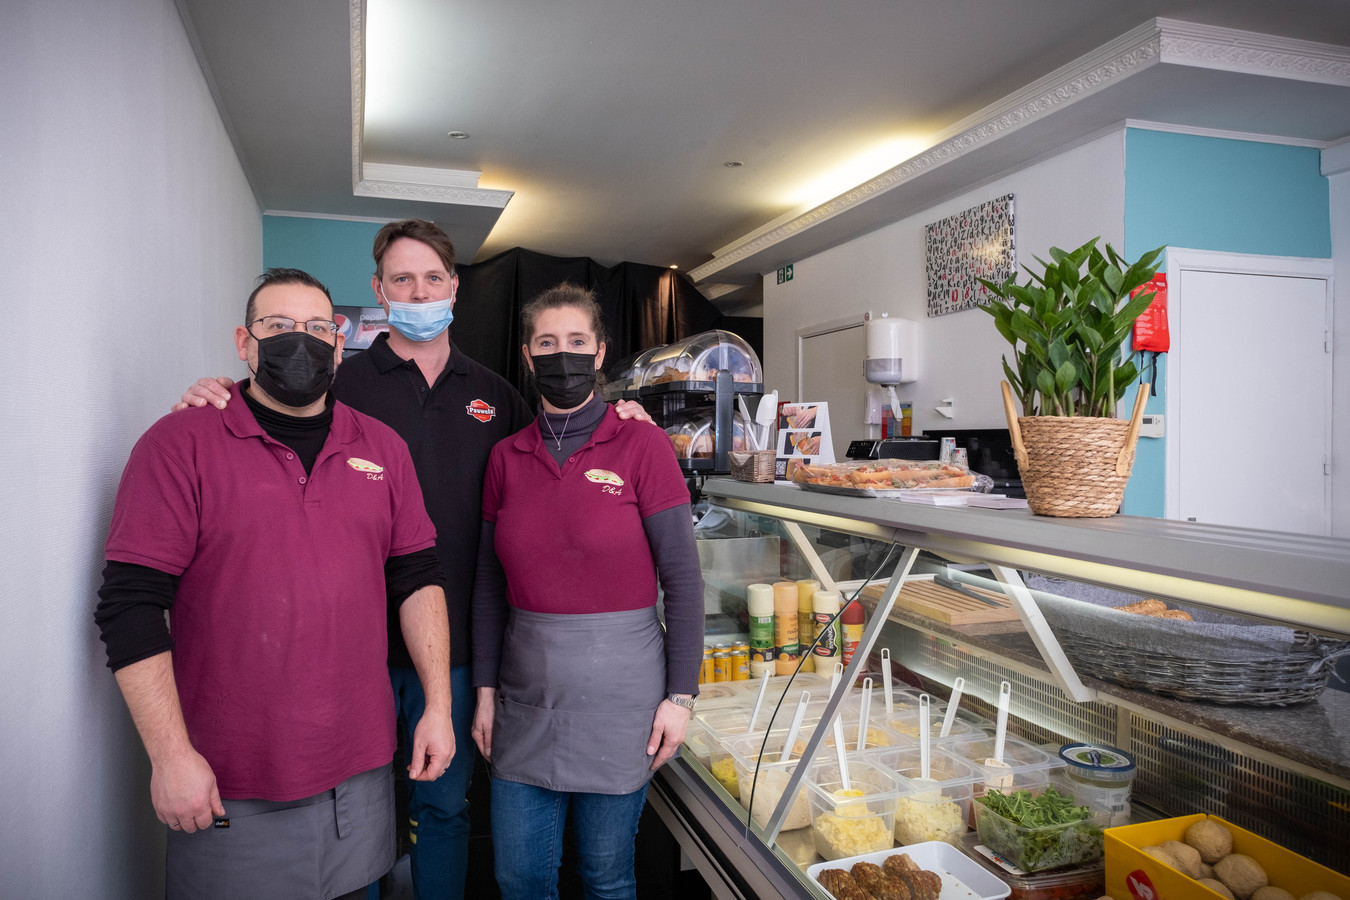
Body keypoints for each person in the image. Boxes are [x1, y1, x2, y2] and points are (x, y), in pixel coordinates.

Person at [175, 220, 650, 900]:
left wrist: (620, 417)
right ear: (377, 289)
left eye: (432, 278)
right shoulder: (341, 380)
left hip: (452, 644)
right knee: (359, 816)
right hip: (353, 648)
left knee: (445, 807)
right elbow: (273, 409)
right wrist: (218, 389)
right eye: (402, 278)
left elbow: (556, 451)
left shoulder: (495, 394)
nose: (418, 291)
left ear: (456, 287)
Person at [96, 268, 454, 900]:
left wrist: (438, 706)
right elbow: (130, 605)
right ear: (244, 341)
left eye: (318, 328)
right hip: (232, 777)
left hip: (361, 767)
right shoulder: (180, 444)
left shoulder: (383, 449)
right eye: (278, 326)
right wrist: (170, 756)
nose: (300, 341)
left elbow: (417, 578)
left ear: (341, 345)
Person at [470, 284, 704, 900]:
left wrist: (681, 696)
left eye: (577, 342)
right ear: (527, 355)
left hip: (622, 700)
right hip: (525, 697)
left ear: (600, 353)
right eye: (548, 343)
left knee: (606, 878)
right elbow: (490, 586)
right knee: (518, 877)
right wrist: (485, 692)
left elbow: (682, 579)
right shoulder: (505, 457)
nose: (563, 355)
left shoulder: (643, 444)